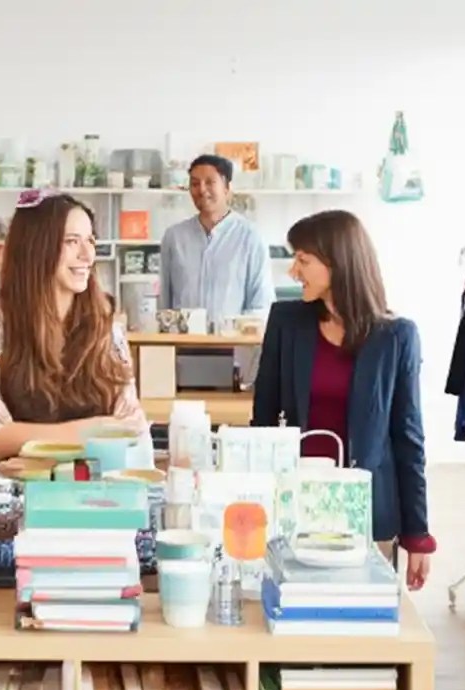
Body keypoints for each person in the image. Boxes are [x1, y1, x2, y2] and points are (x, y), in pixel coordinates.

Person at [250, 209, 435, 590]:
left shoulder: (397, 337)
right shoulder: (286, 322)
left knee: (361, 634)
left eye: (303, 260)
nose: (293, 272)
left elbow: (408, 439)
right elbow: (263, 421)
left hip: (367, 513)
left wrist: (417, 535)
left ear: (338, 264)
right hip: (295, 508)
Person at [0, 189, 152, 462]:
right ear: (36, 247)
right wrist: (88, 432)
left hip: (98, 489)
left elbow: (132, 426)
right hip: (14, 493)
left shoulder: (106, 328)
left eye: (90, 241)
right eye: (71, 241)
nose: (87, 255)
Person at [158, 154, 275, 323]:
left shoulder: (250, 237)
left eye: (210, 182)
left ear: (227, 187)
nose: (202, 190)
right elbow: (165, 301)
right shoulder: (174, 237)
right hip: (183, 343)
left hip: (234, 344)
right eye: (195, 184)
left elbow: (261, 303)